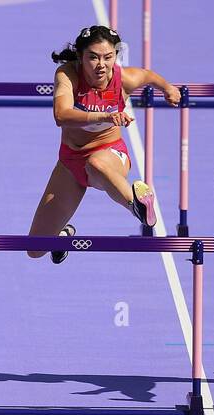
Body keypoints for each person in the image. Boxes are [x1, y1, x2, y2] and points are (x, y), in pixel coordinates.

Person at [28, 25, 179, 263]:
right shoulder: (67, 75)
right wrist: (105, 116)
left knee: (96, 163)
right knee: (35, 248)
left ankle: (138, 205)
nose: (101, 65)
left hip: (110, 155)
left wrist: (168, 88)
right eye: (93, 57)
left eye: (108, 57)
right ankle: (64, 235)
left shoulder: (123, 79)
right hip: (70, 162)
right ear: (80, 56)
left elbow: (148, 76)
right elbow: (61, 115)